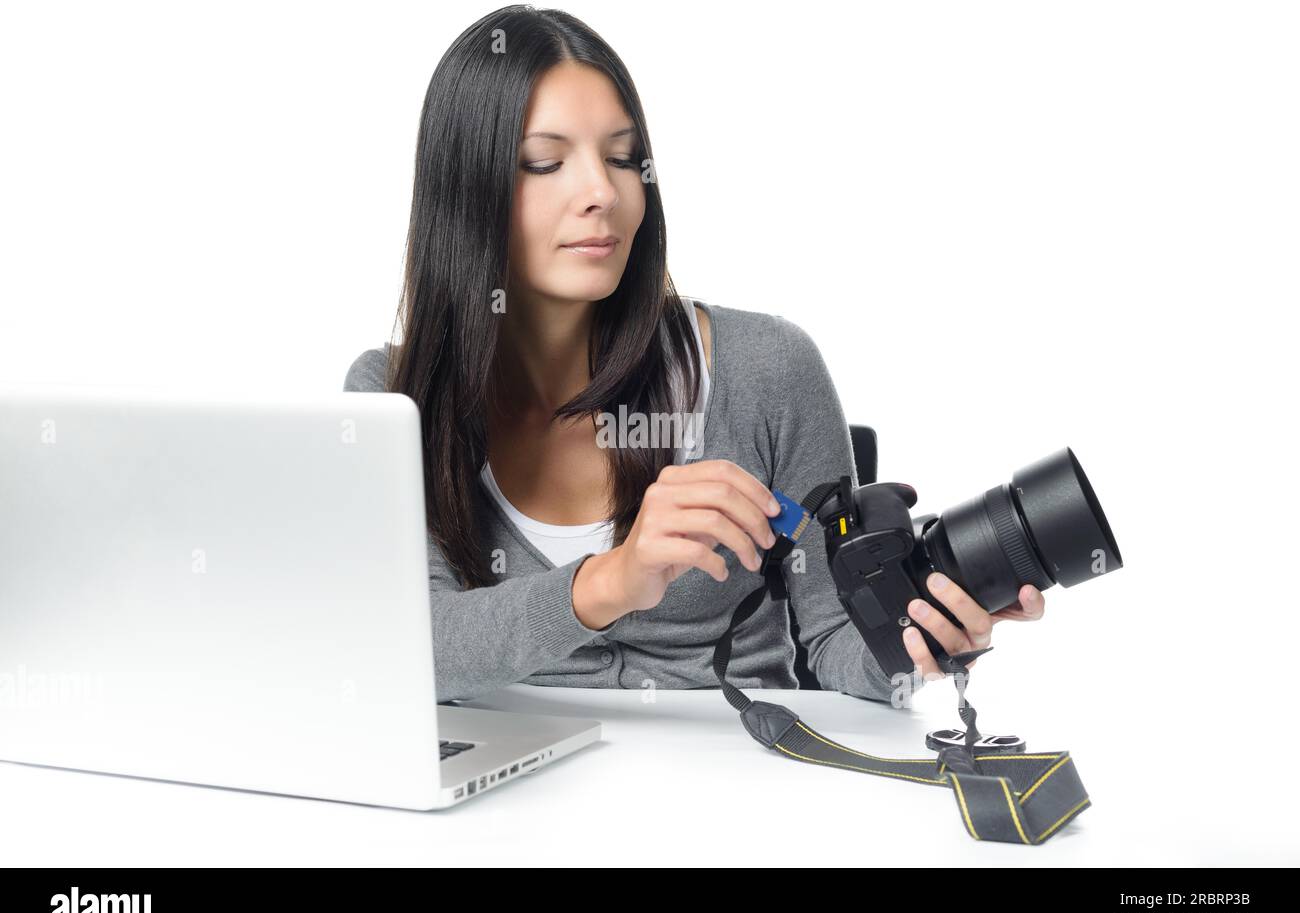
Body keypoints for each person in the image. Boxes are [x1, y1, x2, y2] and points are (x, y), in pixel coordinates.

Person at [344, 5, 1045, 704]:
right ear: (464, 191)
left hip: (727, 786)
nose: (602, 193)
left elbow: (836, 644)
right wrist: (615, 577)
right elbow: (407, 645)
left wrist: (921, 638)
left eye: (622, 158)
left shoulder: (768, 368)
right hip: (498, 797)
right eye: (545, 162)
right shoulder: (390, 396)